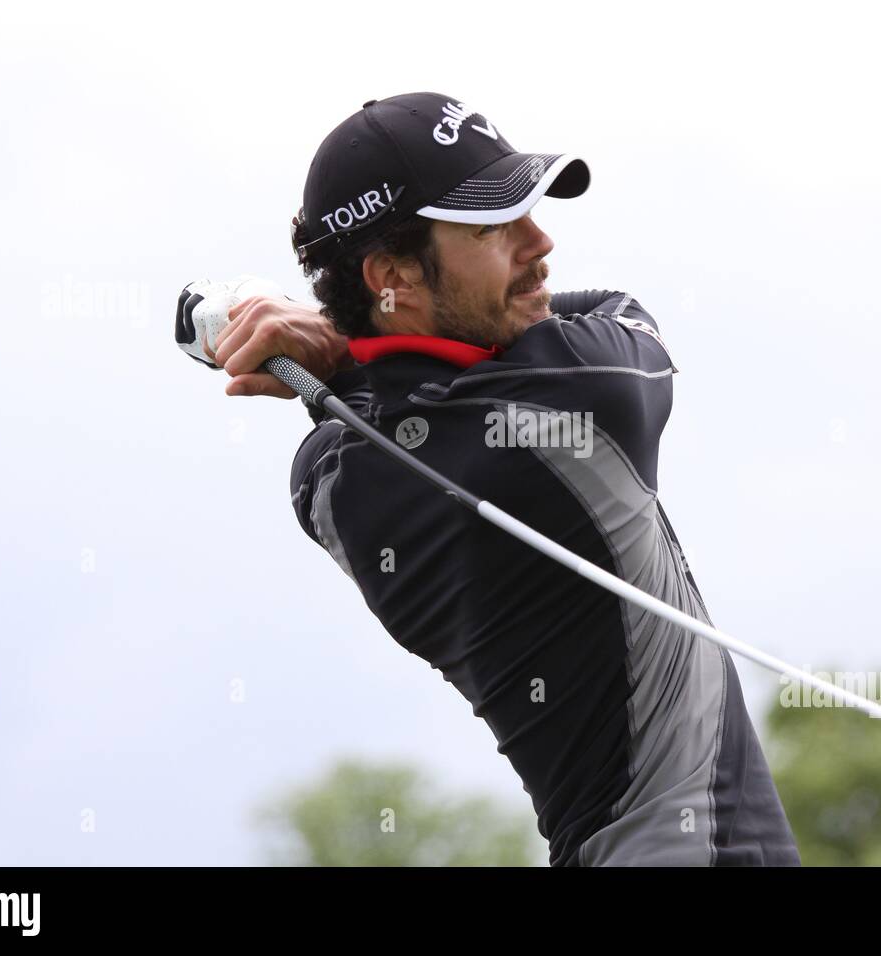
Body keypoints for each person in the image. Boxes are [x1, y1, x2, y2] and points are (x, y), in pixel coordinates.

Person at [177, 92, 800, 866]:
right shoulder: (589, 397)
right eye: (492, 226)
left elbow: (382, 402)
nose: (539, 242)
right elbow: (620, 309)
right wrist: (333, 336)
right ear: (392, 274)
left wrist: (343, 334)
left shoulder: (332, 484)